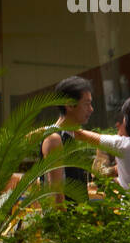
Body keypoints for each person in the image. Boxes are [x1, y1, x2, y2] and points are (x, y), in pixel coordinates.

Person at [40, 76, 95, 204]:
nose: (91, 109)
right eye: (86, 104)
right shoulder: (54, 139)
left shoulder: (71, 135)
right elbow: (55, 195)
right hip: (64, 221)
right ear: (69, 105)